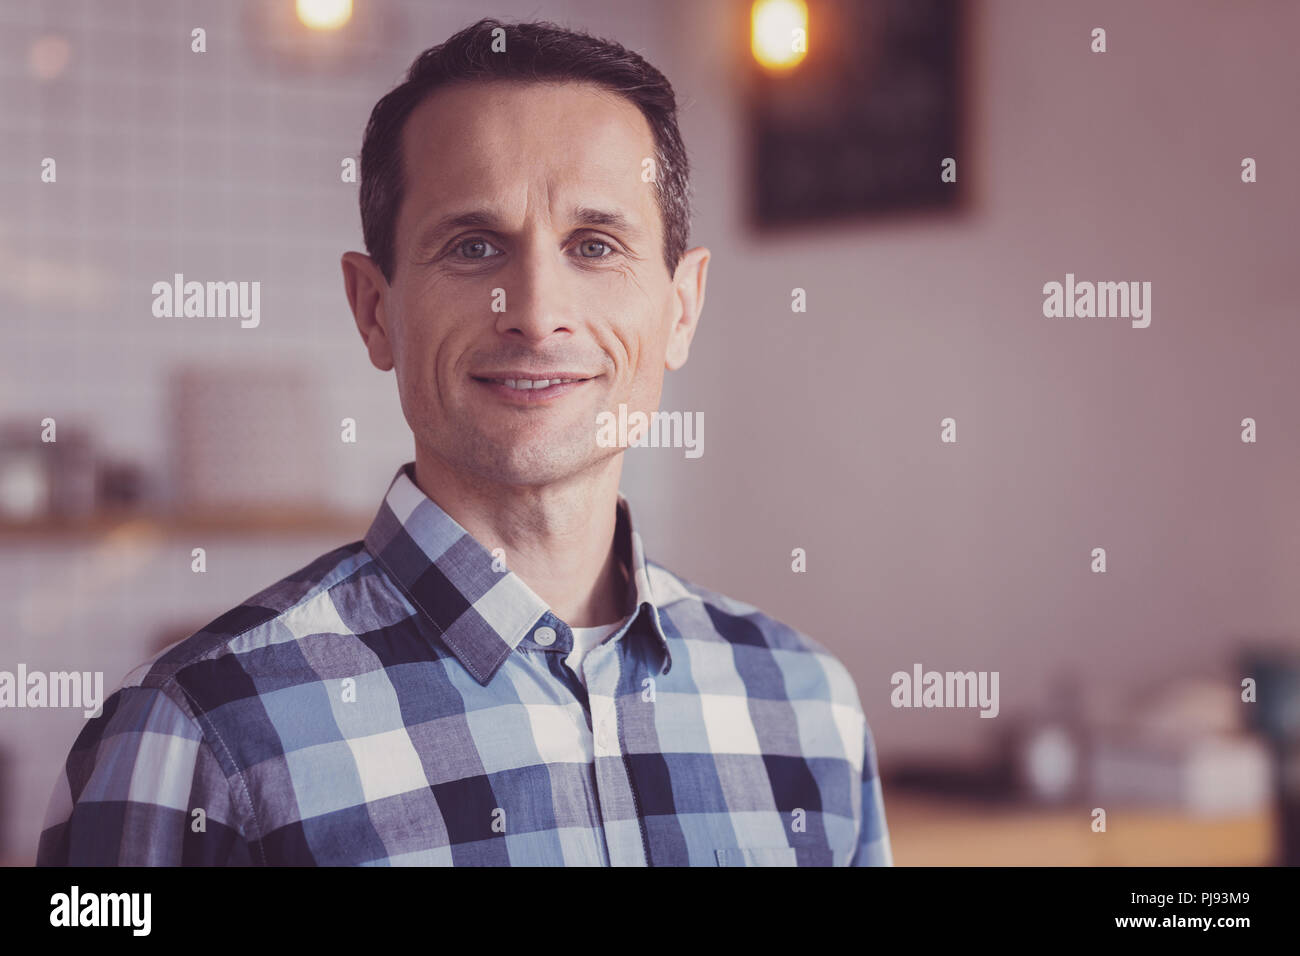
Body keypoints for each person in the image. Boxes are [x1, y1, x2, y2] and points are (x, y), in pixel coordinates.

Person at [36, 17, 891, 866]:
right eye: (474, 246)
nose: (533, 311)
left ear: (682, 308)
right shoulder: (194, 735)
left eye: (595, 246)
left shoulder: (808, 709)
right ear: (375, 310)